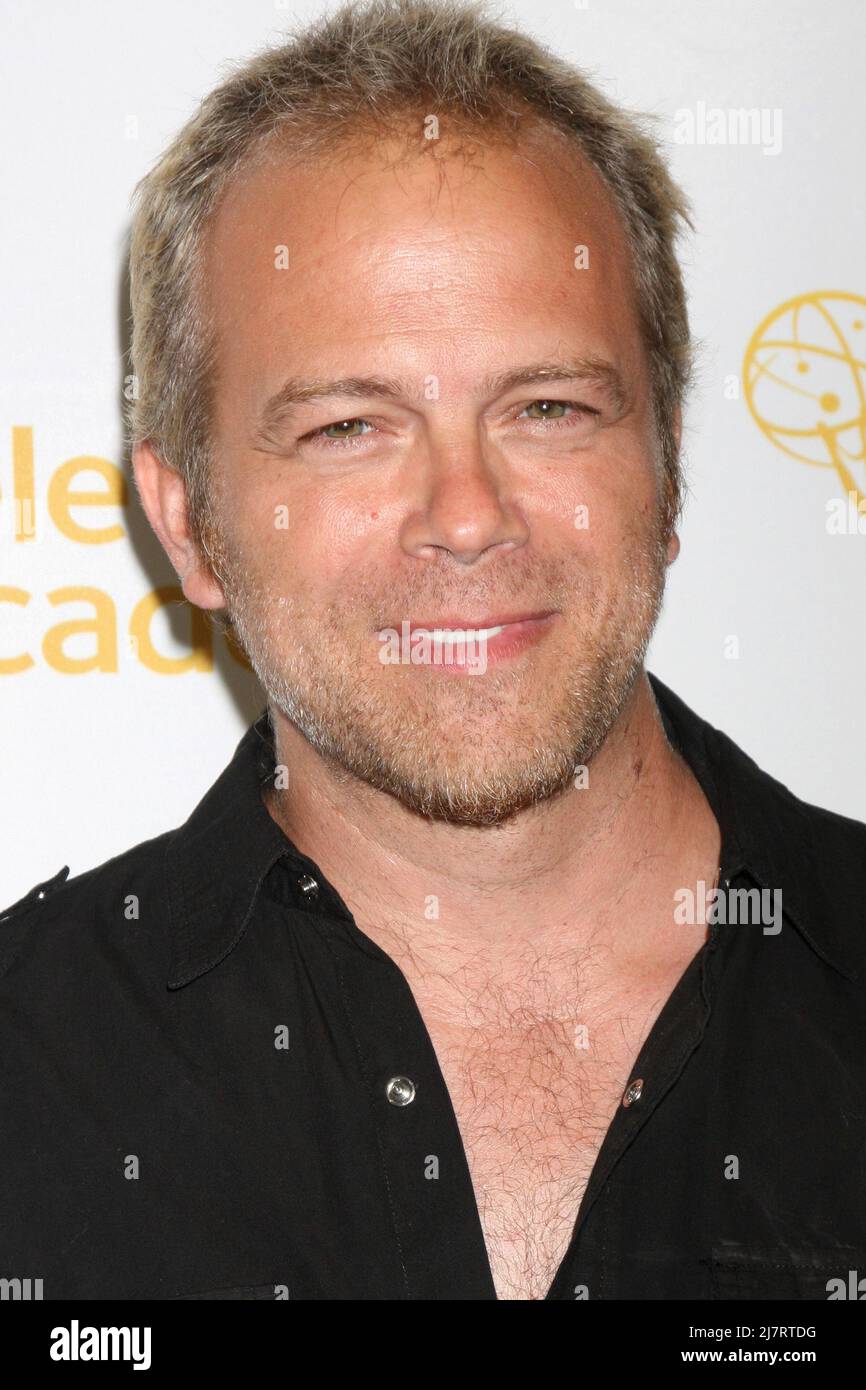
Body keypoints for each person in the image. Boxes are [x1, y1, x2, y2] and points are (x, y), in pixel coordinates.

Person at [3, 0, 865, 1301]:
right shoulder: (27, 1073)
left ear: (667, 468)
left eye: (547, 406)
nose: (466, 516)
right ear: (190, 525)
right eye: (349, 425)